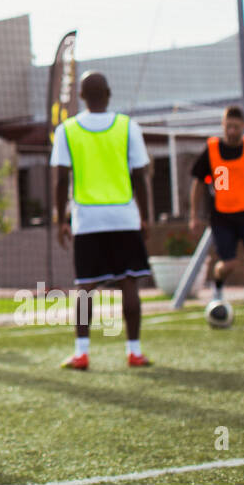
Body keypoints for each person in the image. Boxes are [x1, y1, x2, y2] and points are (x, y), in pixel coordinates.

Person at [51, 72, 153, 369]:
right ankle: (134, 351)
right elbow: (140, 175)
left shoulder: (66, 129)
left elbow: (60, 179)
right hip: (124, 216)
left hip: (87, 219)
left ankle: (81, 353)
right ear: (109, 93)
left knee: (85, 287)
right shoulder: (128, 126)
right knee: (129, 282)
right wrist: (144, 216)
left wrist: (62, 220)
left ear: (81, 96)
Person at [189, 105, 244, 325]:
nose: (231, 131)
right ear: (223, 125)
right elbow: (198, 183)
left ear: (243, 127)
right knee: (227, 264)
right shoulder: (211, 150)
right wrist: (194, 214)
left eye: (236, 127)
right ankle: (217, 288)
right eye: (228, 126)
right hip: (222, 216)